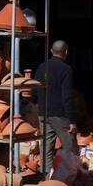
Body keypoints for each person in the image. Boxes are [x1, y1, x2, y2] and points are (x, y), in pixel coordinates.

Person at [34, 39, 77, 174]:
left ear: (51, 51)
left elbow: (35, 90)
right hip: (60, 115)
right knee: (71, 149)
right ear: (66, 52)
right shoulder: (66, 69)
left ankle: (47, 182)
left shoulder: (41, 67)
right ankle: (72, 180)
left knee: (45, 151)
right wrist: (71, 120)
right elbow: (67, 96)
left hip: (43, 114)